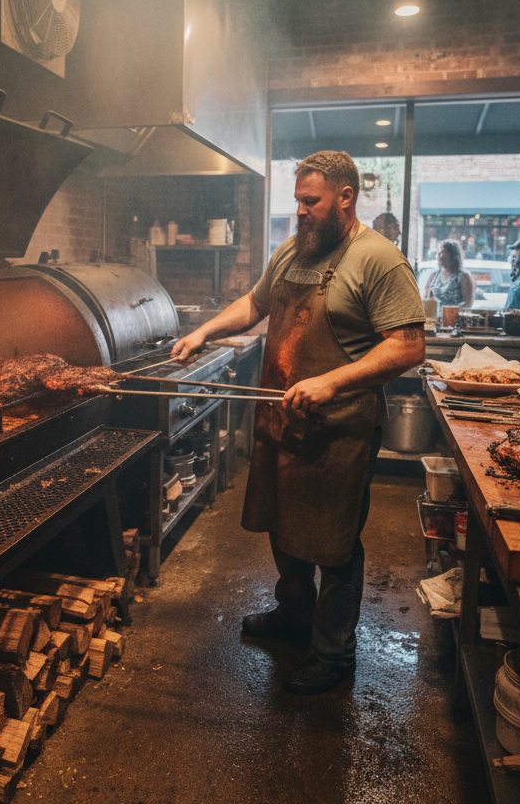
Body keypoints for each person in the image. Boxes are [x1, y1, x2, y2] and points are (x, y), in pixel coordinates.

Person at [171, 151, 426, 695]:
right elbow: (255, 304)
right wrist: (205, 333)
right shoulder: (292, 251)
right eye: (297, 201)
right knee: (284, 527)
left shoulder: (379, 259)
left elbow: (408, 347)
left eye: (311, 202)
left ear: (345, 197)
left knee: (332, 544)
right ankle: (293, 617)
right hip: (282, 420)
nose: (301, 212)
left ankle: (333, 654)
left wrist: (332, 381)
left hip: (339, 432)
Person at [422, 239, 475, 308]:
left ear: (452, 255)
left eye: (442, 252)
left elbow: (467, 304)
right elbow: (426, 299)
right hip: (433, 318)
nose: (438, 255)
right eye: (437, 252)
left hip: (454, 317)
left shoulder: (464, 277)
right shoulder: (434, 275)